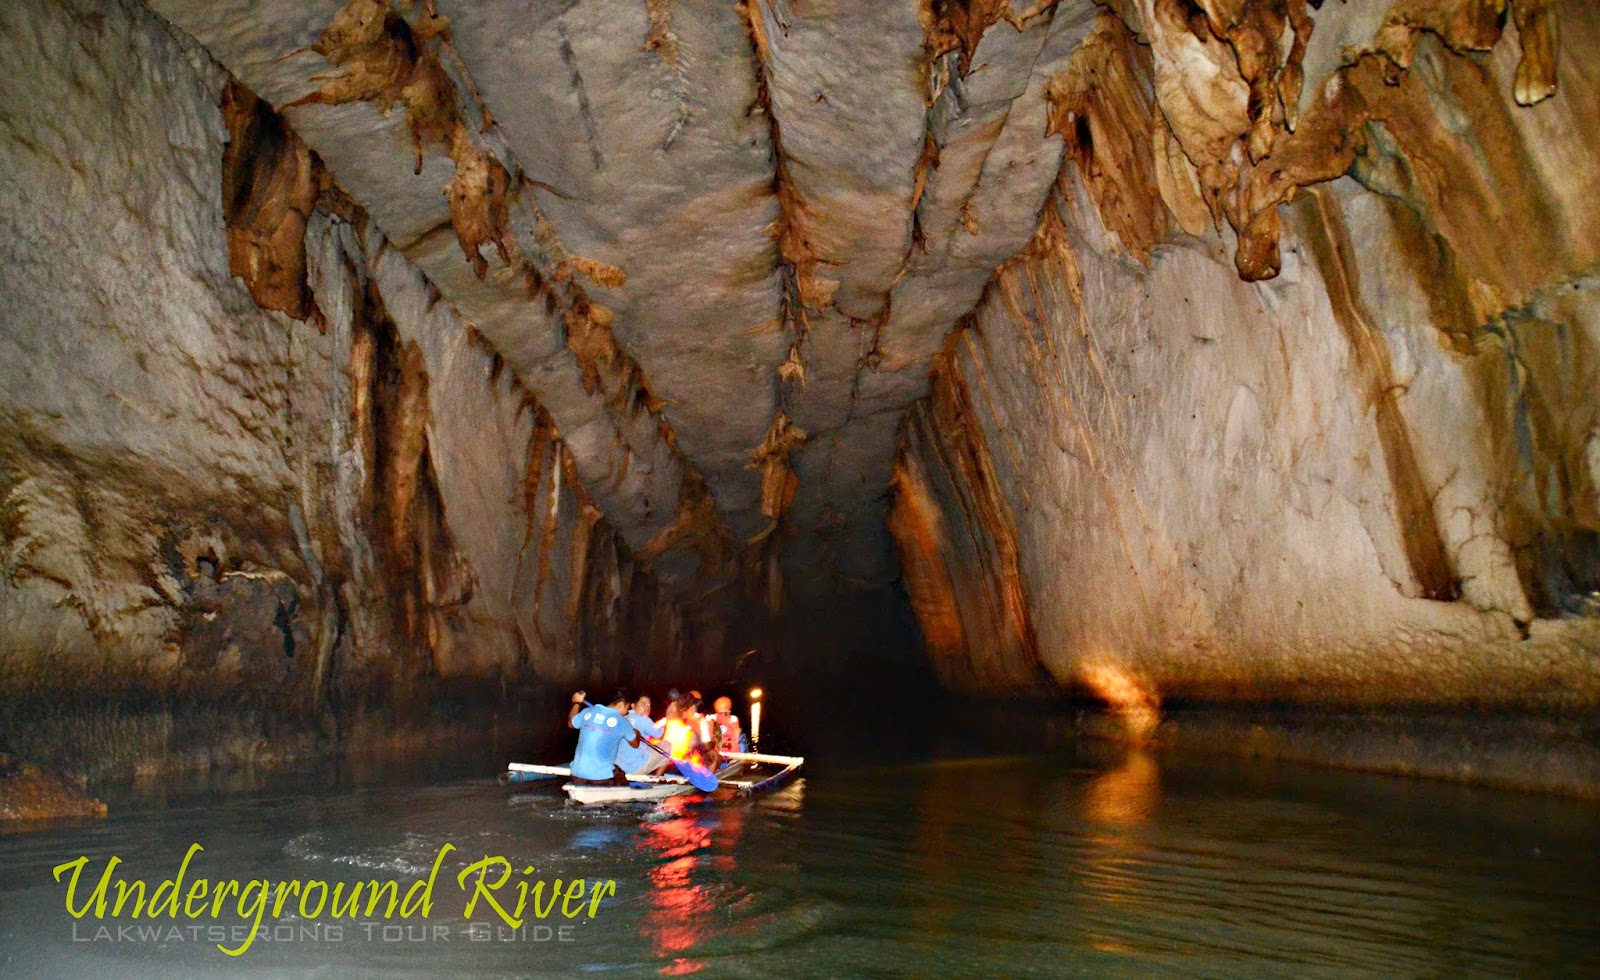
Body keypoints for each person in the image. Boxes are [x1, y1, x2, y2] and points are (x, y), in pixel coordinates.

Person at [566, 689, 639, 785]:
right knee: (622, 778)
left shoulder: (587, 711)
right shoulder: (623, 722)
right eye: (627, 708)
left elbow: (570, 723)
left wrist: (577, 703)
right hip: (601, 778)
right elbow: (635, 744)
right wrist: (637, 733)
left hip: (576, 773)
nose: (626, 712)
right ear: (621, 705)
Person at [616, 693, 663, 777]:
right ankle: (657, 781)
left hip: (618, 767)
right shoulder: (643, 719)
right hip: (633, 768)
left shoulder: (624, 718)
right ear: (633, 706)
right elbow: (660, 735)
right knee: (667, 746)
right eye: (643, 704)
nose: (647, 708)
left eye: (649, 705)